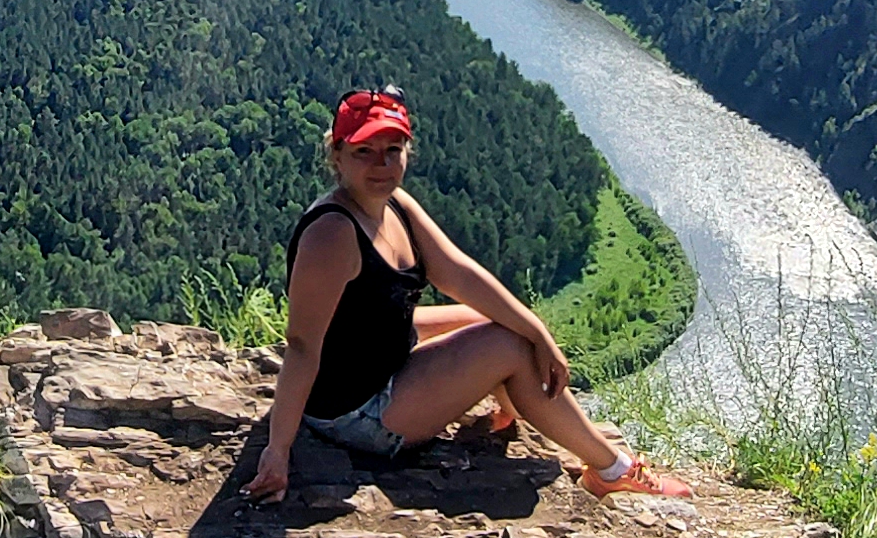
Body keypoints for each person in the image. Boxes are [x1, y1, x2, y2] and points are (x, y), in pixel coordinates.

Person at [244, 87, 689, 503]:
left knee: (508, 324)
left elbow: (458, 274)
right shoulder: (332, 234)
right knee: (508, 345)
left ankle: (513, 405)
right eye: (364, 152)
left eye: (392, 151)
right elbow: (302, 345)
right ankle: (611, 470)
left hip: (376, 357)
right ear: (337, 156)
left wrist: (539, 331)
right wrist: (278, 450)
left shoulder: (395, 205)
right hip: (354, 413)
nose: (381, 164)